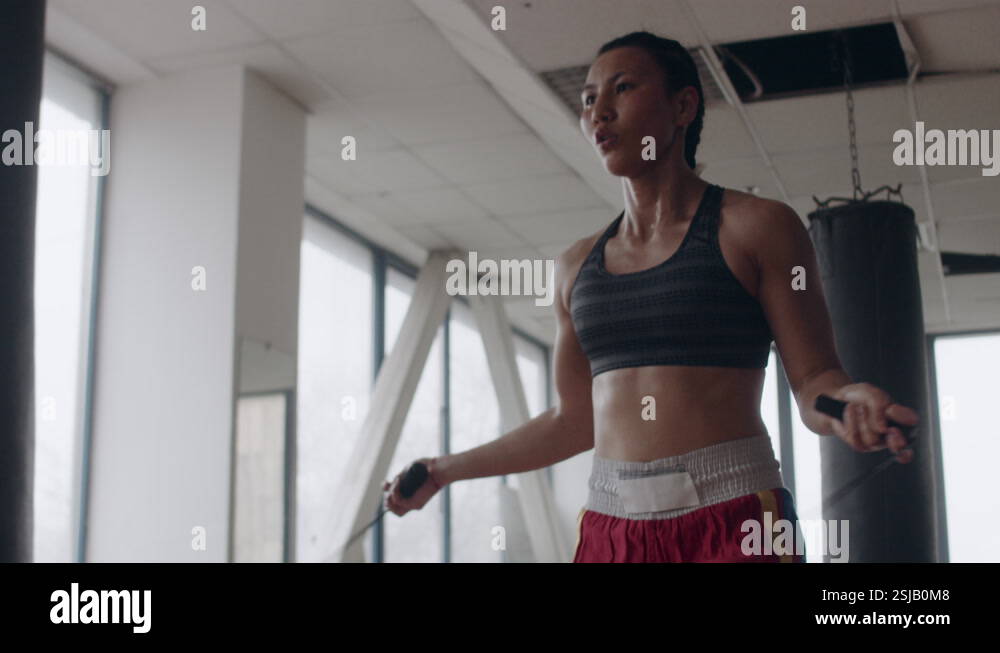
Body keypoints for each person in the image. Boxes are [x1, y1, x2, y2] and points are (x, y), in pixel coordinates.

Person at [381, 31, 920, 563]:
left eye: (623, 89)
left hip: (736, 519)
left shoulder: (757, 227)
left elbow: (812, 382)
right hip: (611, 530)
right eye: (589, 98)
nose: (599, 111)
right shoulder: (575, 268)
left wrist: (846, 403)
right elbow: (573, 421)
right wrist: (443, 469)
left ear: (683, 105)